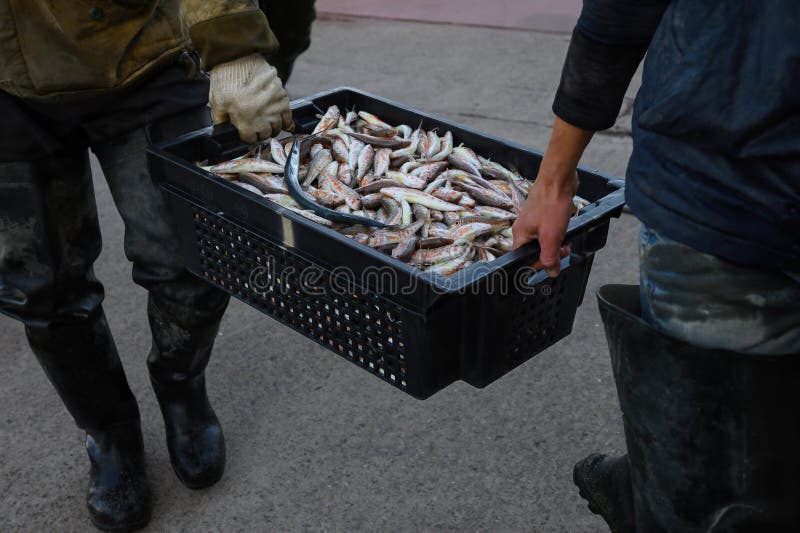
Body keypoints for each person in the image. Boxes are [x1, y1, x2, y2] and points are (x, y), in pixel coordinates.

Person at [0, 1, 313, 530]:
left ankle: (180, 384)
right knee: (43, 288)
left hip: (142, 54)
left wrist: (233, 47)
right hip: (7, 81)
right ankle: (109, 432)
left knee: (189, 258)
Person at [511, 1, 800, 530]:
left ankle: (650, 488)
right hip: (723, 199)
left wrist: (554, 180)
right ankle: (655, 485)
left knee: (705, 483)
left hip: (719, 190)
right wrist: (553, 182)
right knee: (714, 476)